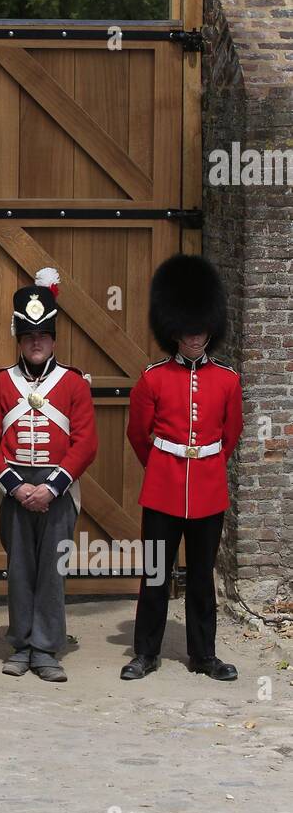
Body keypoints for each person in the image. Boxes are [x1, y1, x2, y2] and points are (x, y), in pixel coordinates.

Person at [121, 254, 243, 682]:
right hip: (163, 490)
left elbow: (229, 437)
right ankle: (146, 653)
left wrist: (203, 466)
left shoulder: (227, 380)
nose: (196, 338)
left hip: (208, 490)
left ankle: (204, 655)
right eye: (189, 331)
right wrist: (164, 465)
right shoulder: (152, 378)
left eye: (202, 330)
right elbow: (139, 436)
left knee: (202, 578)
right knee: (155, 574)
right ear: (174, 330)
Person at [0, 268, 97, 682]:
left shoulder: (74, 384)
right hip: (14, 488)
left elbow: (85, 443)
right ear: (19, 338)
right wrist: (16, 487)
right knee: (21, 569)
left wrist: (50, 487)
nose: (35, 342)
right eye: (28, 335)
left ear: (53, 337)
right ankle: (22, 643)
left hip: (58, 490)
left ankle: (46, 647)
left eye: (42, 334)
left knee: (52, 570)